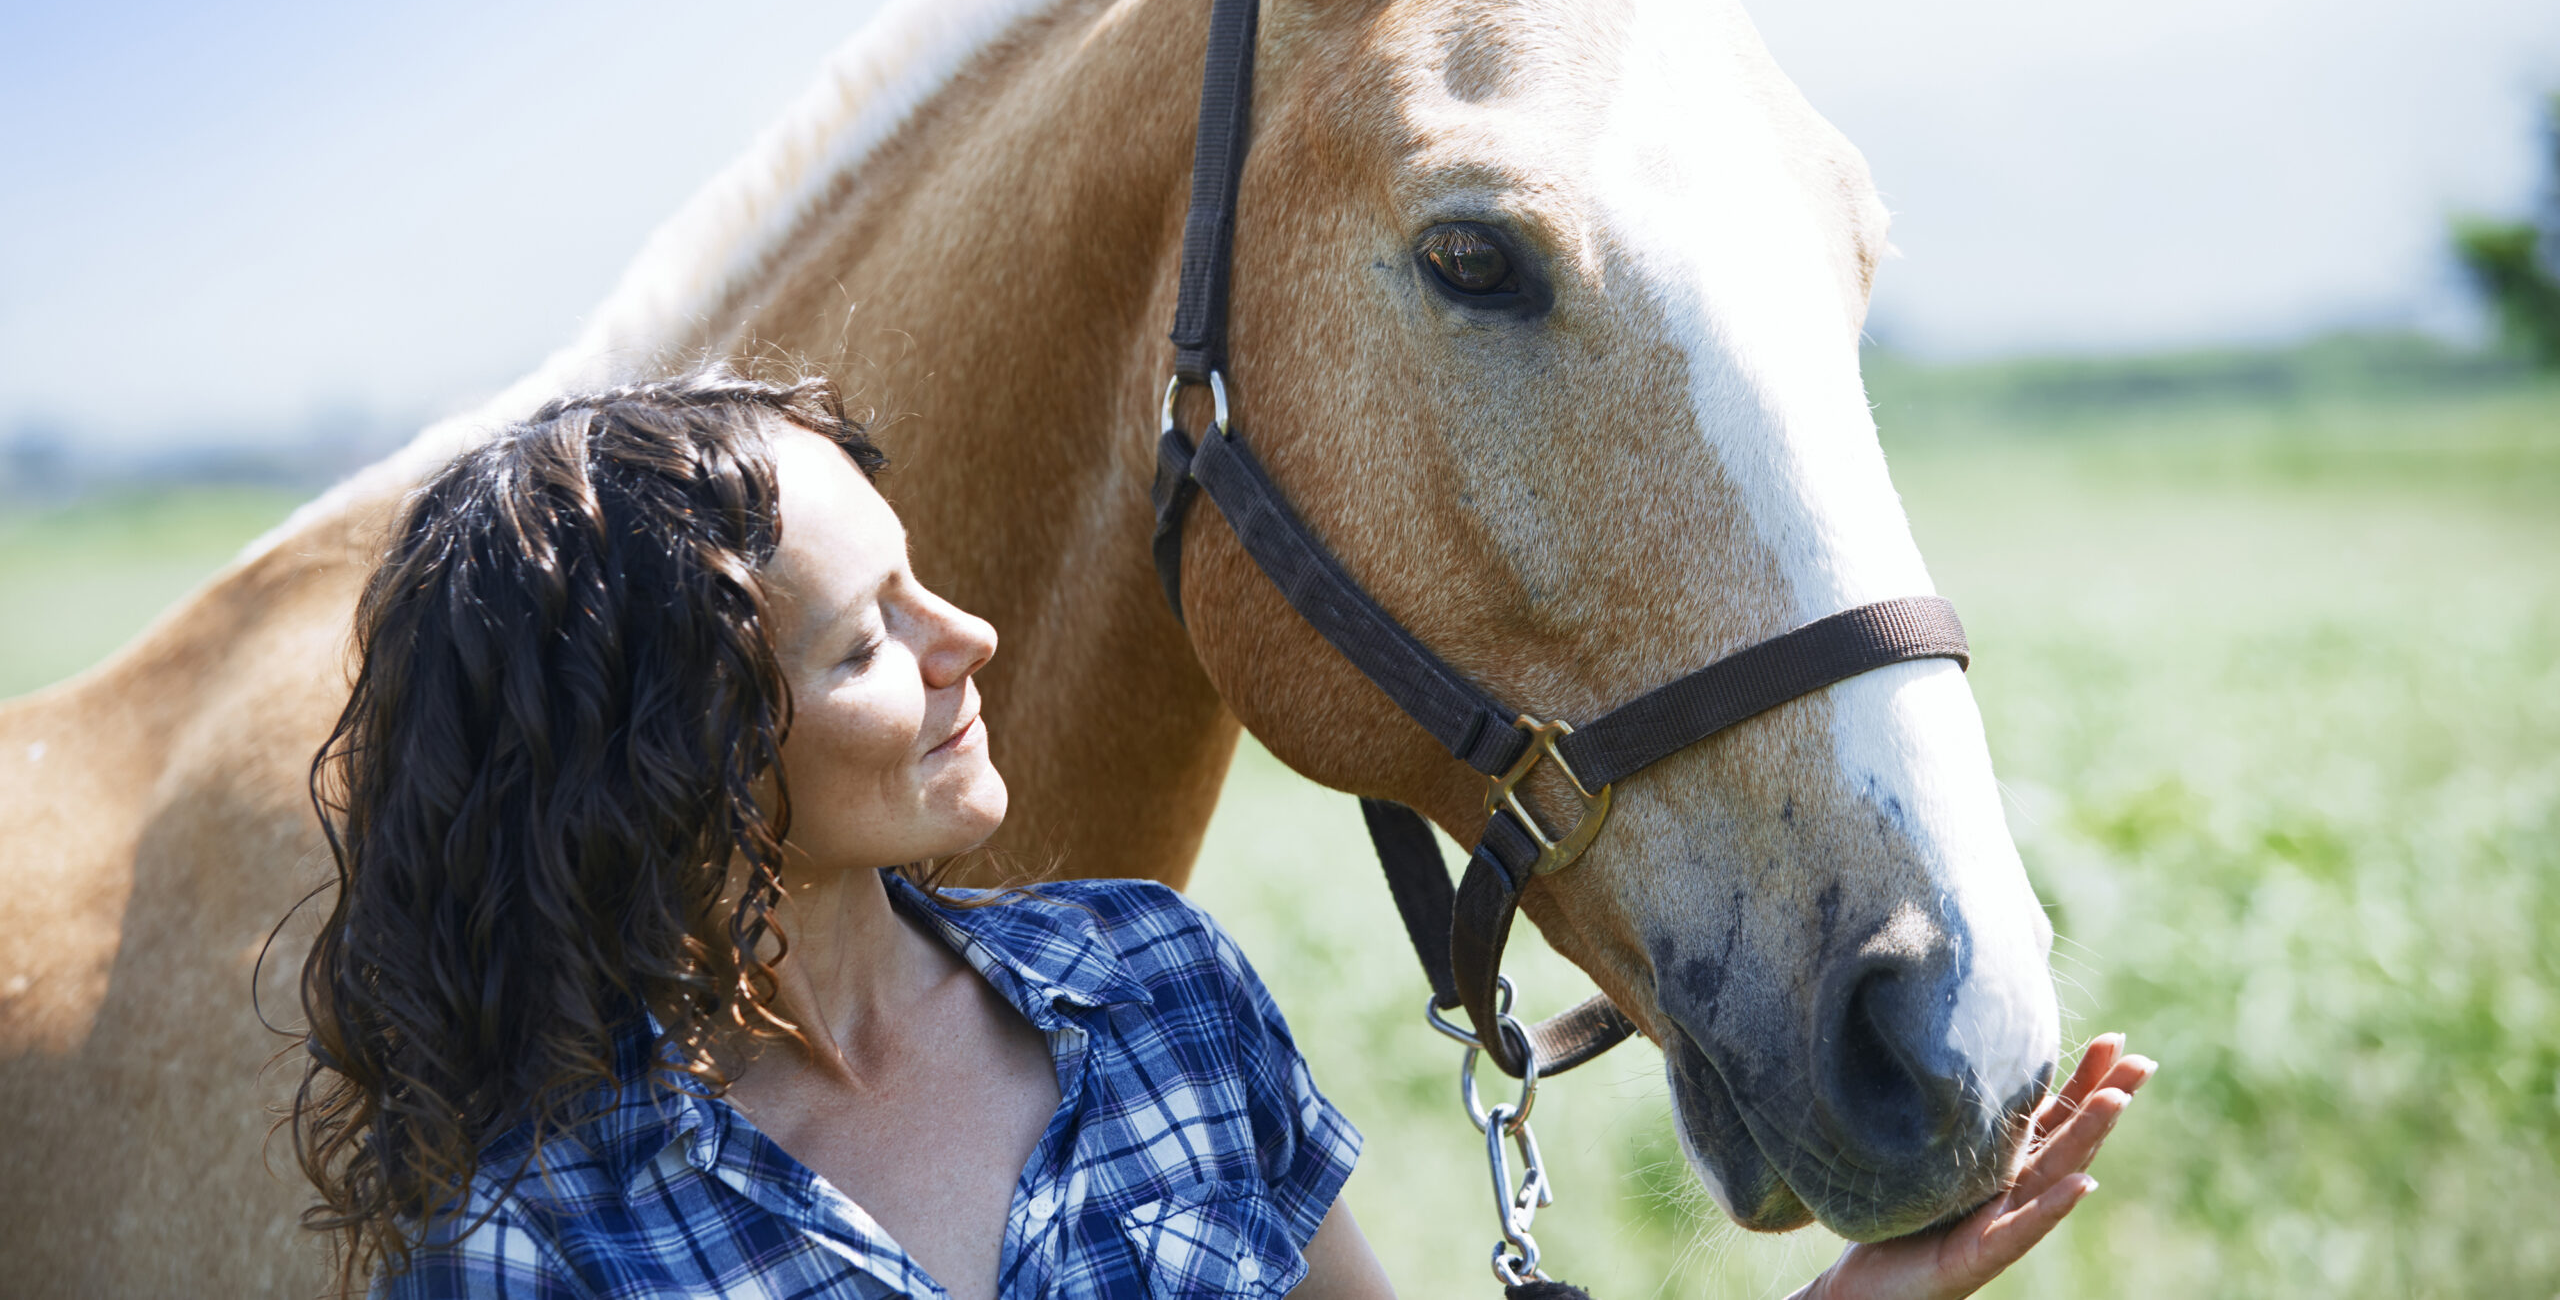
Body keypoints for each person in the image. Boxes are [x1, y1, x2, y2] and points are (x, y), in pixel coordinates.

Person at [292, 373, 2149, 1300]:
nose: (969, 642)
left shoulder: (1156, 988)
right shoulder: (538, 1250)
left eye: (926, 581)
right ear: (671, 754)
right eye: (864, 643)